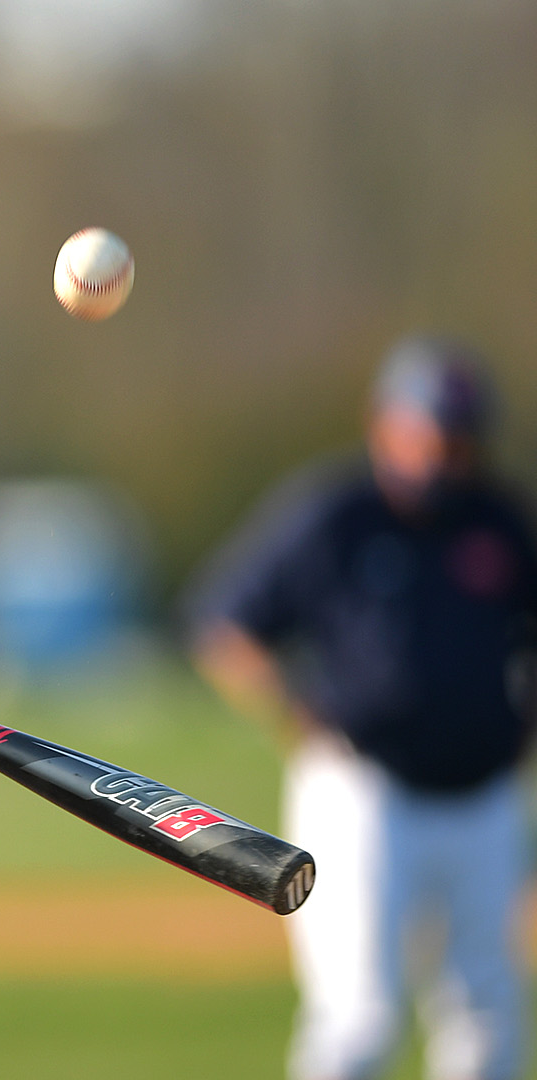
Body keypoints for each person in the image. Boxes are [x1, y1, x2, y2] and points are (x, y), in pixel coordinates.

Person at [188, 336, 536, 1080]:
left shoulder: (499, 522)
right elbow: (226, 623)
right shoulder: (338, 515)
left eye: (459, 439)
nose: (445, 455)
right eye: (432, 435)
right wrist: (295, 708)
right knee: (359, 1021)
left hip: (485, 796)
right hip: (366, 790)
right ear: (388, 426)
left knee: (487, 1022)